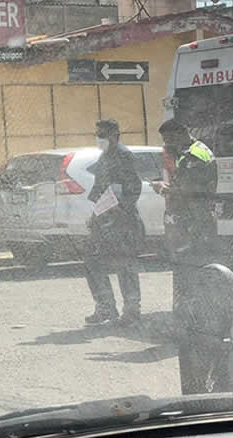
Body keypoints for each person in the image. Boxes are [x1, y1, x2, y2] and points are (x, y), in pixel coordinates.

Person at [151, 119, 218, 314]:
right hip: (197, 220)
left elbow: (186, 193)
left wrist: (163, 189)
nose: (166, 145)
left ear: (181, 134)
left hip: (194, 223)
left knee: (190, 269)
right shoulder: (194, 151)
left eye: (169, 139)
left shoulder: (193, 156)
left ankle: (192, 316)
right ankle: (193, 313)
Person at [84, 119, 145, 326]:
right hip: (103, 217)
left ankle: (132, 311)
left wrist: (122, 208)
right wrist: (94, 214)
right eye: (97, 134)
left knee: (124, 264)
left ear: (114, 135)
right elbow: (100, 187)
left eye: (102, 135)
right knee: (92, 262)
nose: (98, 138)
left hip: (122, 219)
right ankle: (106, 307)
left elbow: (133, 187)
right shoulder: (105, 156)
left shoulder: (124, 156)